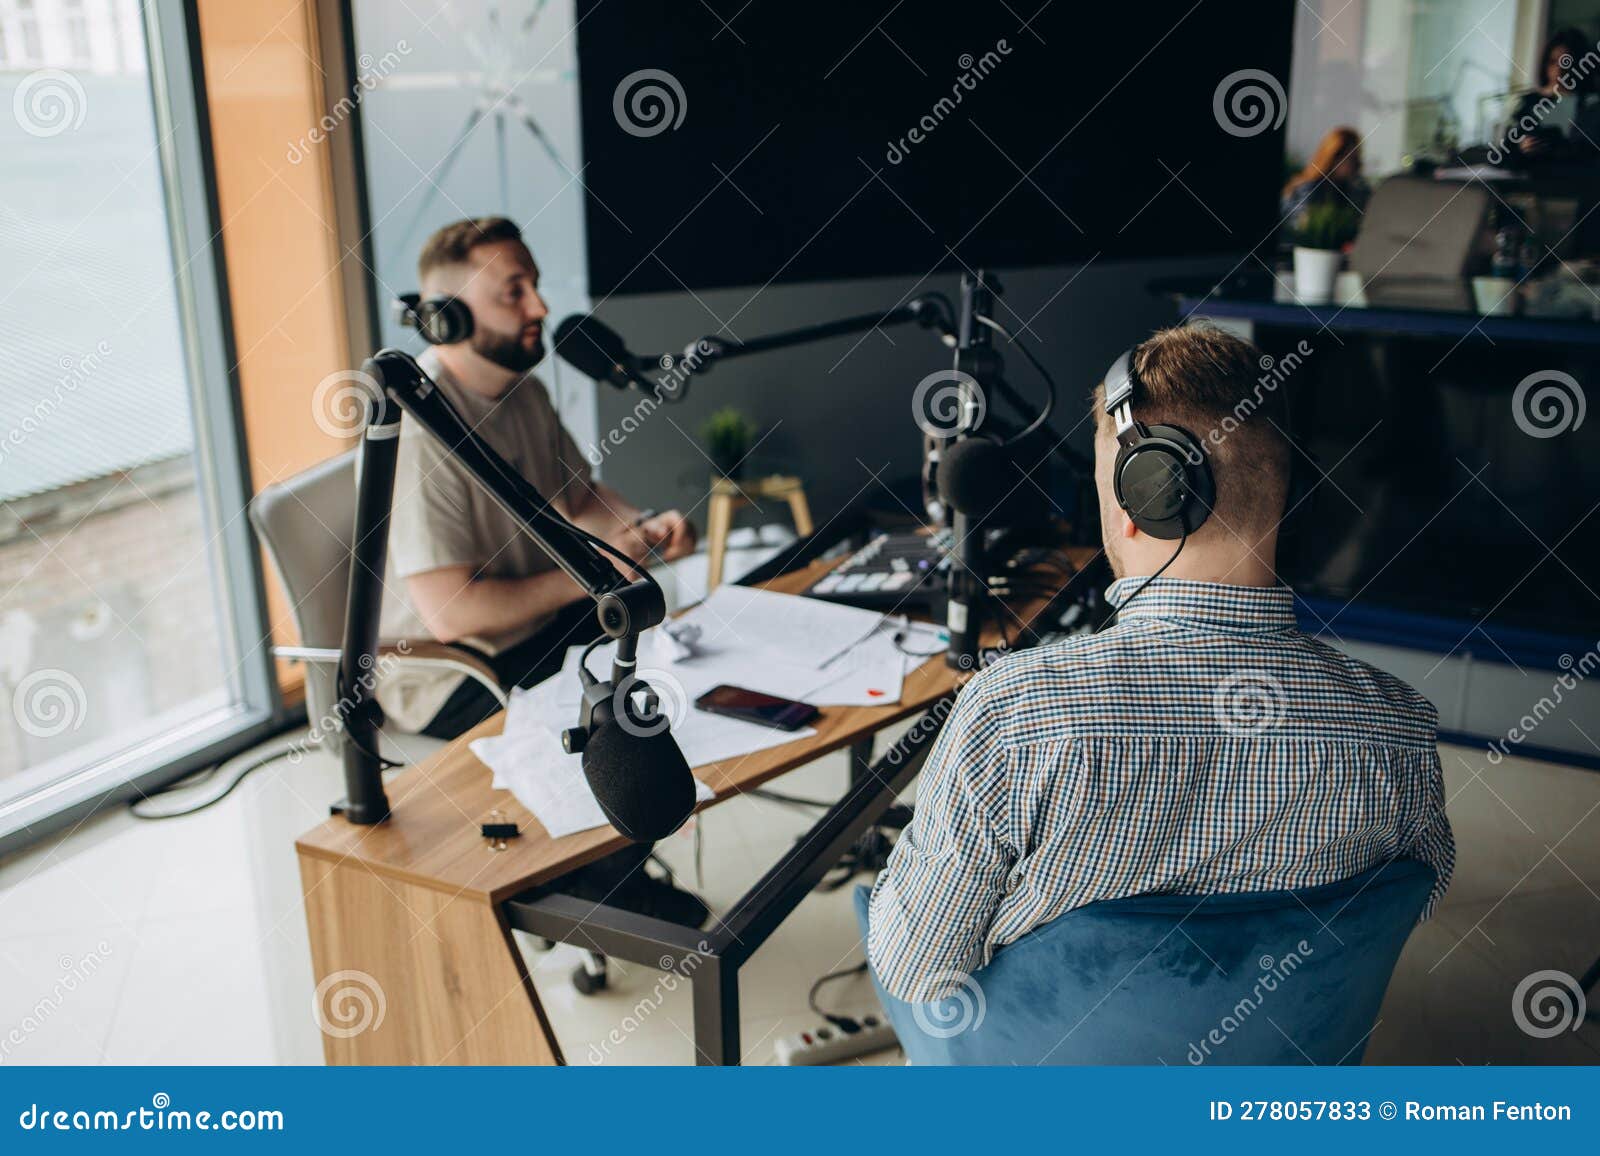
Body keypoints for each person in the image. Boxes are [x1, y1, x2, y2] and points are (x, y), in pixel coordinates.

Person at [866, 324, 1454, 1003]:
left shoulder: (1010, 714)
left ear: (1145, 498)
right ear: (1291, 500)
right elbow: (1415, 899)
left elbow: (917, 971)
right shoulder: (1400, 725)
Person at [377, 216, 703, 923]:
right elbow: (452, 612)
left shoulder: (522, 391)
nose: (540, 307)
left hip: (533, 627)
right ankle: (587, 891)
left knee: (653, 680)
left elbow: (580, 499)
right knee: (615, 716)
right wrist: (597, 574)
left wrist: (641, 527)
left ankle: (615, 864)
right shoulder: (422, 431)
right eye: (513, 291)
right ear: (446, 315)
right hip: (453, 669)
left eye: (535, 285)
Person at [1280, 125, 1368, 223]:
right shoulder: (1311, 187)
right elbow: (1302, 223)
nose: (1350, 164)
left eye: (1354, 158)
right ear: (1332, 157)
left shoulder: (1349, 189)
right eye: (1345, 156)